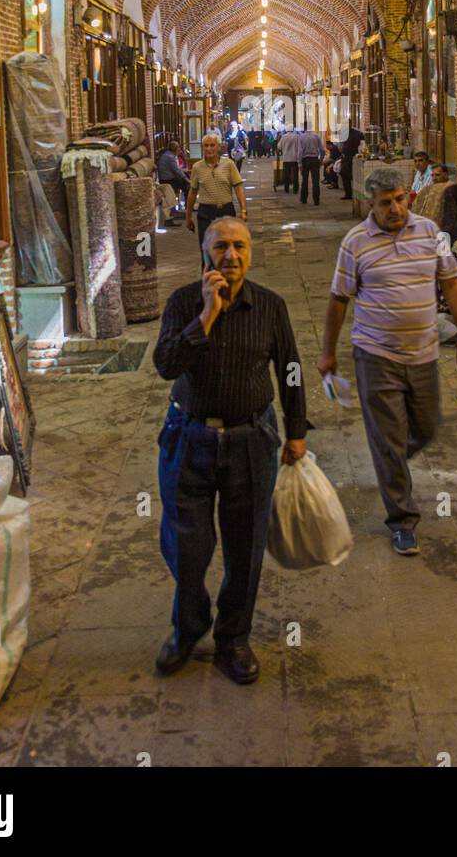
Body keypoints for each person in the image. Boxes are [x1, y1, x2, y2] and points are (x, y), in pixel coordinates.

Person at [152, 218, 308, 684]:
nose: (231, 256)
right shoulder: (183, 302)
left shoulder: (270, 306)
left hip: (250, 442)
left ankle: (233, 638)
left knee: (245, 549)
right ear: (206, 252)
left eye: (240, 246)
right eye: (221, 247)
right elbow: (165, 365)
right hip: (189, 440)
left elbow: (291, 369)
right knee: (186, 548)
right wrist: (207, 314)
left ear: (251, 252)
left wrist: (297, 430)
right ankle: (189, 626)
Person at [318, 166, 457, 556]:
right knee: (388, 438)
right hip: (375, 354)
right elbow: (339, 299)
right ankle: (402, 520)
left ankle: (389, 463)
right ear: (372, 204)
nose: (396, 209)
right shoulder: (355, 243)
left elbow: (452, 282)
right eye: (386, 203)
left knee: (425, 427)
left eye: (401, 199)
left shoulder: (430, 234)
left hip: (423, 353)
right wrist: (328, 353)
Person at [186, 133, 247, 252]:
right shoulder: (197, 168)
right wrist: (188, 217)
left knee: (226, 252)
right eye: (206, 146)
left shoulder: (229, 164)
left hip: (226, 211)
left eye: (212, 145)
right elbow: (192, 193)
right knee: (207, 251)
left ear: (219, 147)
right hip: (205, 213)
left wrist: (243, 210)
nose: (209, 149)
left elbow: (238, 188)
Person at [156, 139, 191, 206]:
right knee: (188, 186)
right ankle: (188, 205)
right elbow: (177, 171)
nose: (179, 149)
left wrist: (182, 171)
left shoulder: (166, 154)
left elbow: (175, 168)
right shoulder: (170, 157)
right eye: (178, 148)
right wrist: (188, 180)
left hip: (165, 179)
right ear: (175, 149)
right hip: (168, 180)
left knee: (185, 175)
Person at [297, 124, 324, 205]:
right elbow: (322, 149)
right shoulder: (316, 136)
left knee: (304, 180)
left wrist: (300, 164)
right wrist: (321, 159)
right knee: (315, 181)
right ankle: (316, 200)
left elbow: (300, 151)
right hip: (315, 159)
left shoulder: (301, 137)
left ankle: (304, 199)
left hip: (305, 160)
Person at [339, 125, 363, 202]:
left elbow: (344, 145)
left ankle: (349, 193)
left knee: (345, 173)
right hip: (353, 156)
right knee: (347, 174)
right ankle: (349, 193)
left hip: (349, 157)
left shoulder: (347, 133)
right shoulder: (357, 133)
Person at [279, 127, 301, 194]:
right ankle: (295, 189)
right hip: (294, 159)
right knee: (295, 175)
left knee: (286, 174)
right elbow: (299, 148)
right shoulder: (297, 136)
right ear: (293, 130)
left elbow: (279, 146)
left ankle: (286, 189)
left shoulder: (283, 137)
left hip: (286, 158)